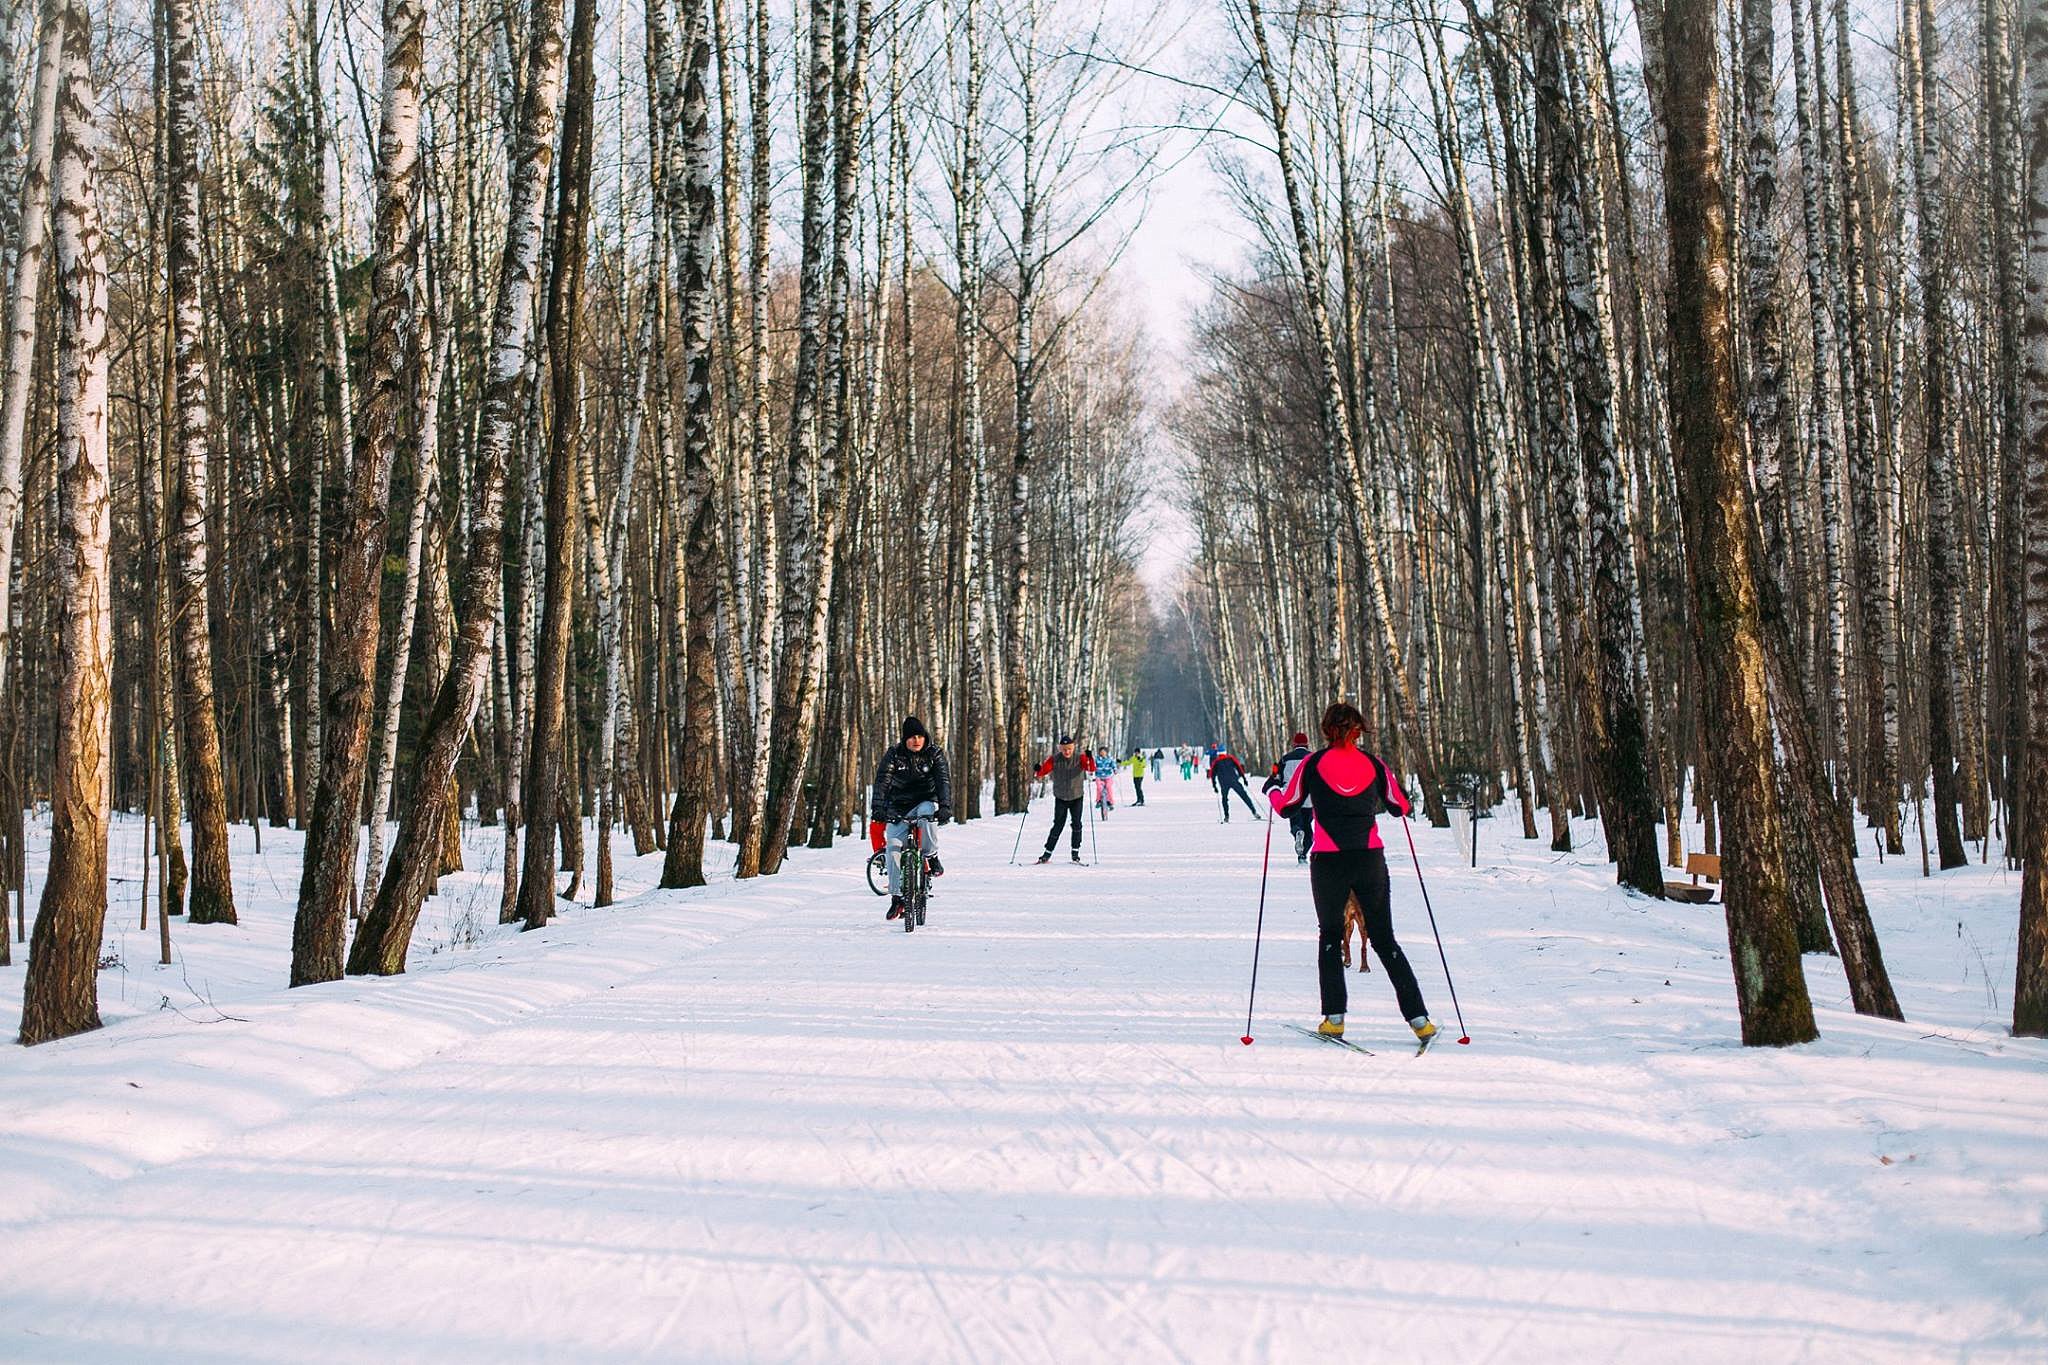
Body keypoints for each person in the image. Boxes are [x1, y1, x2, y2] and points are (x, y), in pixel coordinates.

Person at [1269, 701, 1442, 1047]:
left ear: (1326, 730)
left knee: (1330, 937)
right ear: (1358, 729)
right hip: (1369, 861)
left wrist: (1273, 788)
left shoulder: (1312, 763)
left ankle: (1334, 1020)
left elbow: (1287, 806)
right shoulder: (1373, 764)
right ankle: (1420, 1020)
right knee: (1383, 938)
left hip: (1329, 862)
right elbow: (1401, 807)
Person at [869, 715, 951, 921]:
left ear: (925, 737)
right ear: (904, 739)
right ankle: (897, 898)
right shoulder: (894, 755)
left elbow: (942, 781)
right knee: (893, 848)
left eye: (919, 736)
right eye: (911, 737)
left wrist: (945, 807)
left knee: (926, 814)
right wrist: (878, 809)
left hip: (925, 801)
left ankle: (931, 857)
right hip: (898, 807)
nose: (916, 740)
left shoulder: (934, 754)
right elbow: (882, 782)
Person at [1033, 737, 1095, 863]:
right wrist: (1038, 770)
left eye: (1069, 749)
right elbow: (1043, 771)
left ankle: (1075, 853)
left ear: (1073, 748)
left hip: (1076, 796)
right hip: (1061, 797)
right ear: (1060, 749)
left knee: (1077, 824)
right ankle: (1047, 854)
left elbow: (1091, 768)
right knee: (1058, 825)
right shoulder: (1054, 759)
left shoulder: (1080, 758)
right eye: (1064, 749)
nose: (1067, 752)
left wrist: (1090, 758)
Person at [1263, 731, 1315, 864]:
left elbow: (1277, 778)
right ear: (1307, 744)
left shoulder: (1285, 759)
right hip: (1309, 799)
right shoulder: (1313, 758)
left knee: (1296, 823)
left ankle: (1297, 832)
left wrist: (1271, 786)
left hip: (1291, 798)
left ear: (1294, 744)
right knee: (1308, 826)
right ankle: (1303, 855)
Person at [1208, 745, 1260, 822]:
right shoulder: (1230, 758)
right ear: (1225, 751)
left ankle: (1226, 816)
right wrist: (1244, 778)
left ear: (1218, 753)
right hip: (1234, 780)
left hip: (1223, 783)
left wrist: (1214, 786)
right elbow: (1239, 767)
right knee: (1244, 796)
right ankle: (1254, 812)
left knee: (1224, 799)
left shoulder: (1216, 761)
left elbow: (1212, 774)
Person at [1092, 746, 1117, 817]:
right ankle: (1098, 801)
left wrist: (1115, 769)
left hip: (1108, 776)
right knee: (1099, 788)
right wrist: (1091, 771)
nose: (1102, 753)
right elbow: (1093, 765)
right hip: (1099, 776)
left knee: (1109, 787)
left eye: (1104, 752)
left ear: (1106, 752)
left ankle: (1110, 802)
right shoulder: (1097, 759)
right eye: (1101, 752)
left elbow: (1113, 765)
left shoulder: (1109, 759)